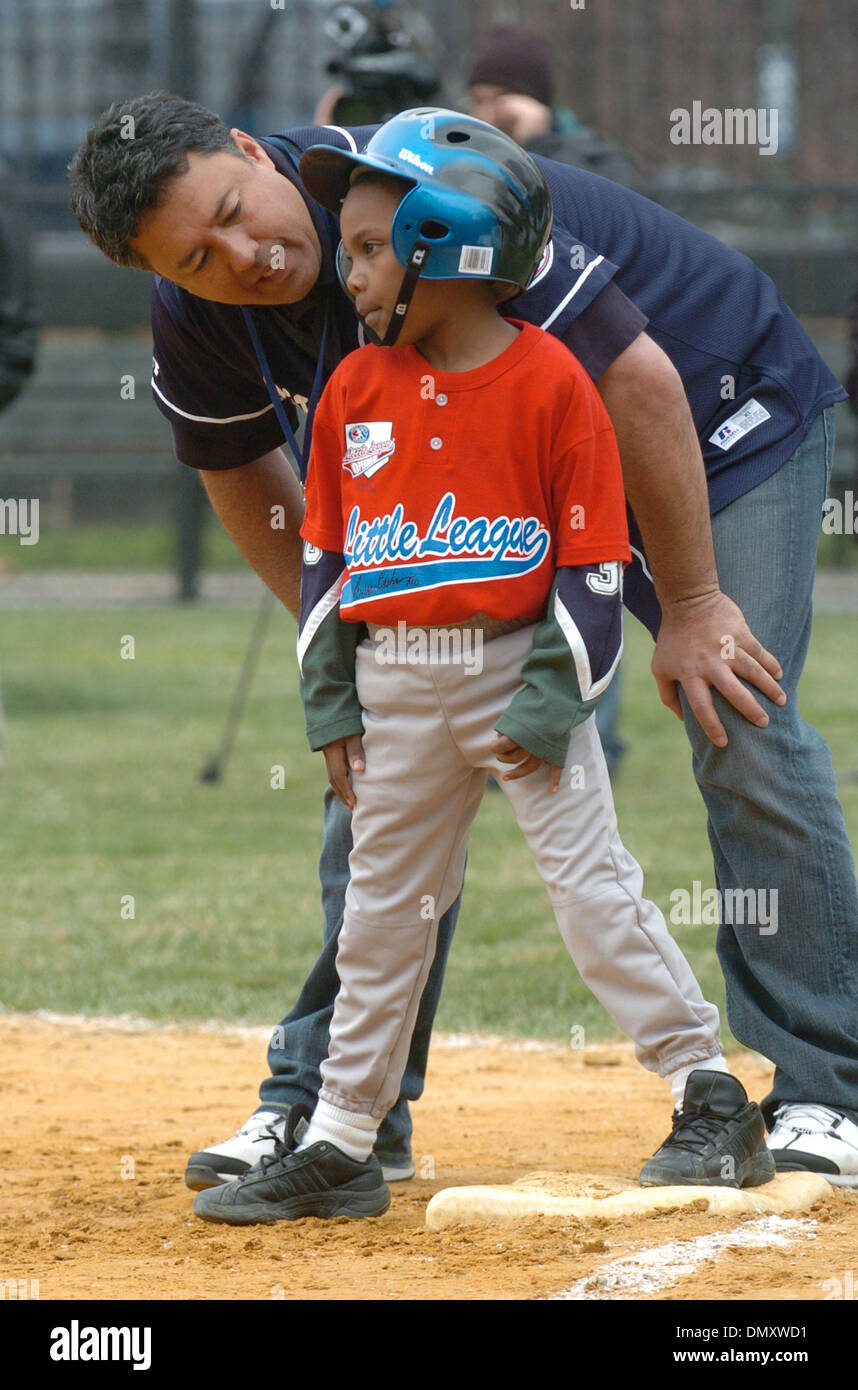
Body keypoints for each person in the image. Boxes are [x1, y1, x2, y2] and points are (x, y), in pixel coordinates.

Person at [68, 94, 858, 1191]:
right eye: (198, 258)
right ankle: (339, 1109)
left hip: (719, 416)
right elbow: (242, 474)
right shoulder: (201, 313)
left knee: (739, 713)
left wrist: (690, 603)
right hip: (521, 483)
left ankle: (828, 1092)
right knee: (378, 783)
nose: (244, 256)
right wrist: (344, 653)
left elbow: (632, 381)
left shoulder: (423, 191)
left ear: (250, 151)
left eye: (239, 211)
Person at [467, 24, 639, 189]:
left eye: (501, 100)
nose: (485, 116)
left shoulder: (599, 160)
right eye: (478, 100)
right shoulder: (461, 154)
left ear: (534, 104)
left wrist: (537, 144)